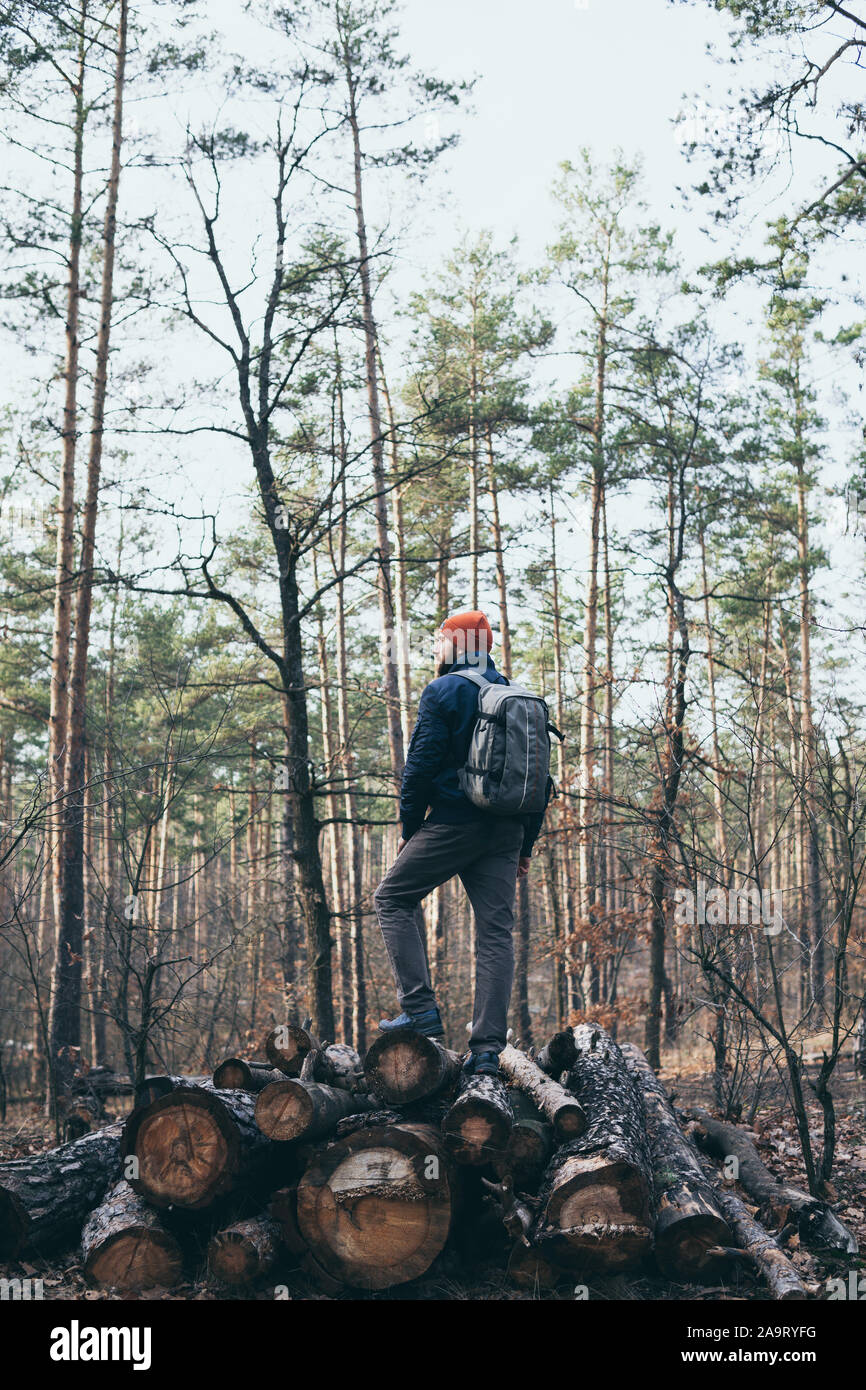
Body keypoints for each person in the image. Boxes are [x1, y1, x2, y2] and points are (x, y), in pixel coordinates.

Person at [374, 609, 550, 1076]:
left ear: (458, 644)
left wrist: (411, 830)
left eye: (439, 639)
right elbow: (538, 780)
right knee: (495, 935)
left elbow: (418, 769)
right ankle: (488, 1051)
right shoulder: (512, 693)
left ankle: (421, 1010)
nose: (434, 646)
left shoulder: (443, 691)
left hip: (453, 823)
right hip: (506, 830)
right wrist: (525, 845)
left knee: (392, 897)